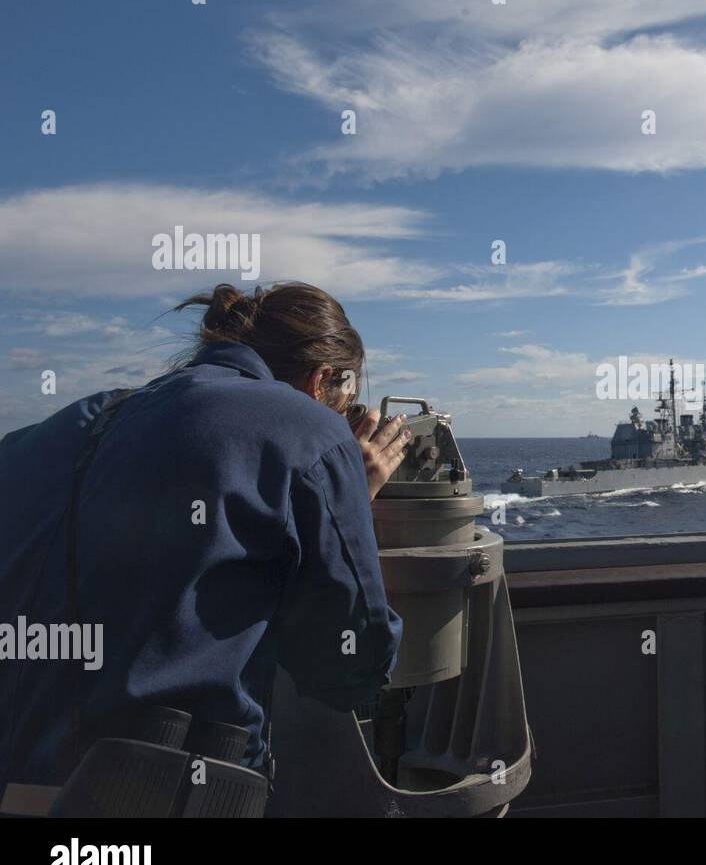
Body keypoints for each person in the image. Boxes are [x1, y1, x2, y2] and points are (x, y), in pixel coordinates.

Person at [0, 282, 406, 792]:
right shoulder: (309, 432)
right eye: (346, 405)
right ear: (323, 379)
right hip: (158, 792)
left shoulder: (59, 429)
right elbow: (349, 669)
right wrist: (346, 504)